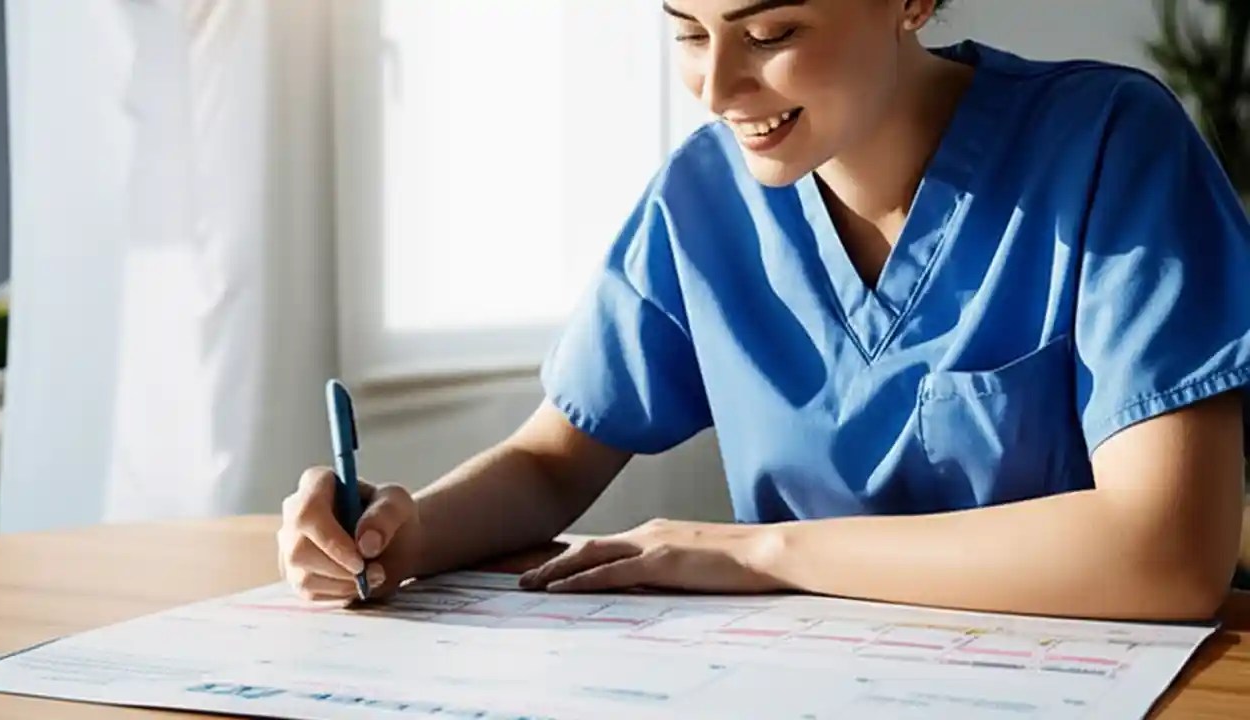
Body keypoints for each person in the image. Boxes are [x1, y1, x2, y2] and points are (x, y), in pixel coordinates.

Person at [277, 0, 1250, 621]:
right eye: (685, 32)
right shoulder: (702, 198)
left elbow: (1163, 559)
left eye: (770, 34)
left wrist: (758, 550)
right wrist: (399, 533)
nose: (714, 89)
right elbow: (549, 462)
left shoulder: (1111, 146)